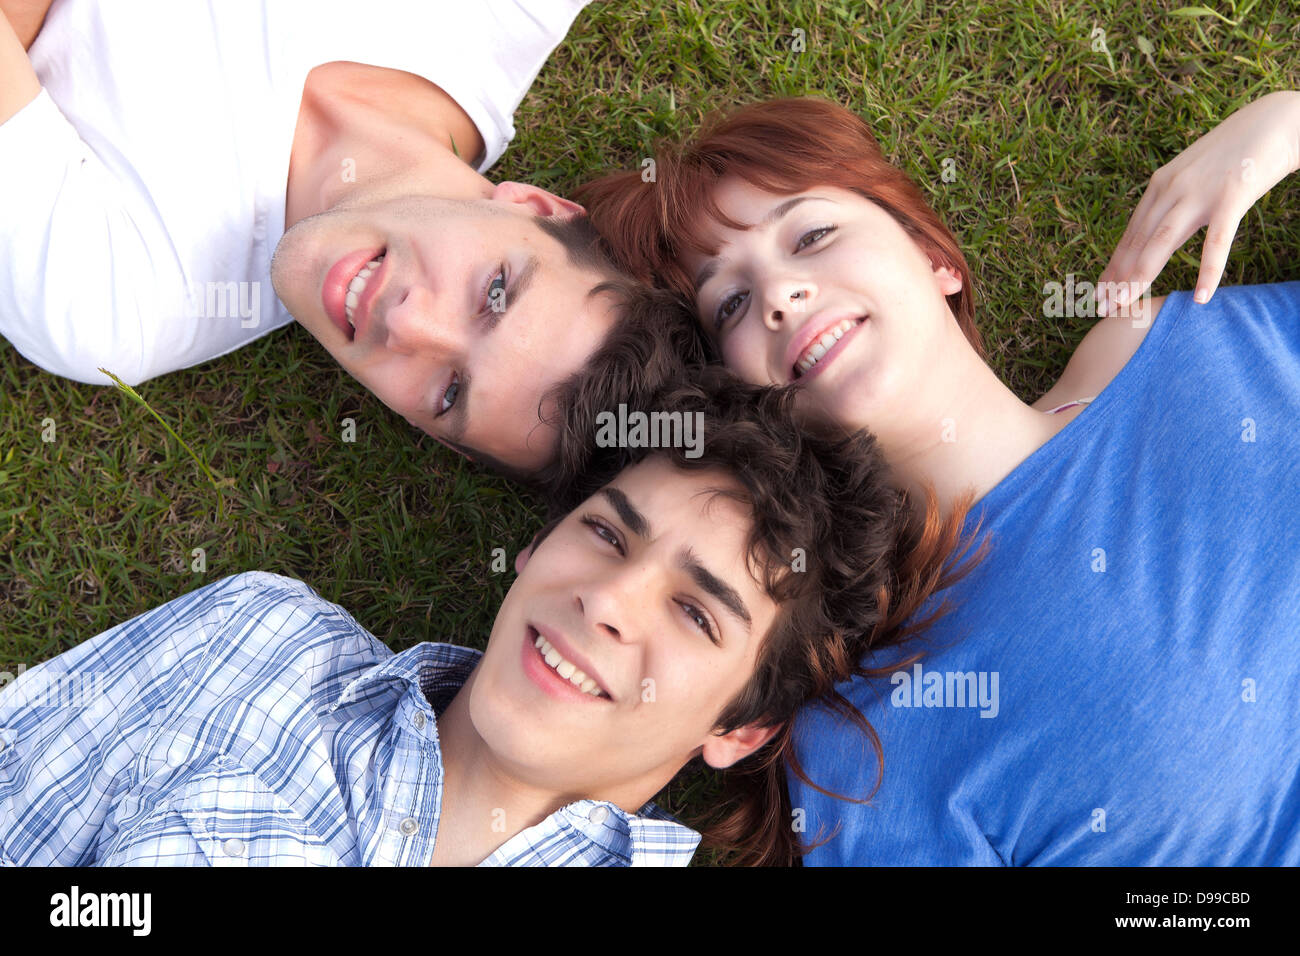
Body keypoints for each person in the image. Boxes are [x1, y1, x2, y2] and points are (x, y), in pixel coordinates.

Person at [577, 93, 1300, 864]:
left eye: (813, 234)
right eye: (733, 304)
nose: (782, 297)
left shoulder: (1191, 340)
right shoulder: (865, 739)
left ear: (935, 259)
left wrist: (1287, 122)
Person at [0, 369, 976, 866]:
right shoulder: (256, 645)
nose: (605, 597)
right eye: (606, 532)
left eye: (693, 610)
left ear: (741, 727)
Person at [0, 0, 695, 473]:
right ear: (538, 207)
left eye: (450, 392)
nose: (408, 322)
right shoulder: (503, 17)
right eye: (493, 293)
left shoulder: (116, 302)